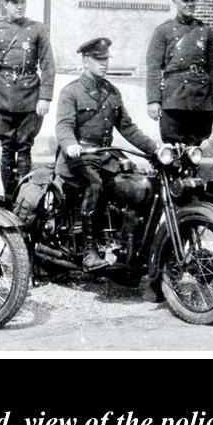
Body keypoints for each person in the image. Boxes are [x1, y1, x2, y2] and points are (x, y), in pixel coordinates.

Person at [56, 37, 160, 270]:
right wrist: (71, 145)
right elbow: (63, 126)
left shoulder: (112, 92)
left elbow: (128, 128)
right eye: (98, 60)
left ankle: (130, 247)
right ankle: (89, 251)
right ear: (86, 61)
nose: (104, 64)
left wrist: (155, 149)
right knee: (95, 185)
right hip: (78, 158)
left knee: (140, 185)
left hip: (105, 157)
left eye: (106, 60)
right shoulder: (71, 92)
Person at [0, 0, 55, 198]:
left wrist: (45, 97)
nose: (19, 6)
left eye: (22, 2)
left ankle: (23, 198)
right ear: (5, 4)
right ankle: (9, 198)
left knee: (25, 147)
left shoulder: (38, 29)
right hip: (3, 96)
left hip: (30, 96)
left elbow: (48, 65)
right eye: (14, 2)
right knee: (7, 147)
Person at [145, 0, 213, 145]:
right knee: (174, 146)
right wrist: (153, 101)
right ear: (175, 1)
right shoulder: (163, 31)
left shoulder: (204, 30)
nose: (190, 4)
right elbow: (153, 67)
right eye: (185, 0)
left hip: (201, 97)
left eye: (192, 0)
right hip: (174, 97)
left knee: (197, 145)